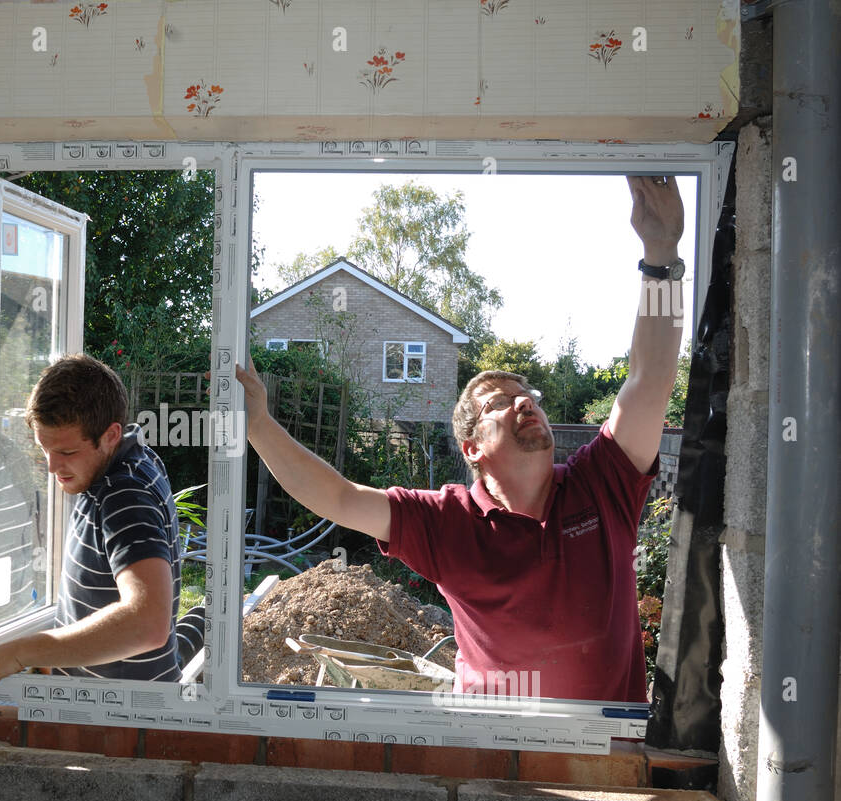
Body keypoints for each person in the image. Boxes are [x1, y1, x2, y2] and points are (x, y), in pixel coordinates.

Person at [235, 175, 685, 703]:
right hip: (493, 762)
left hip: (609, 759)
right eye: (500, 403)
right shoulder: (447, 523)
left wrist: (661, 255)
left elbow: (649, 379)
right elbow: (338, 498)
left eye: (529, 396)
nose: (525, 403)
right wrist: (259, 426)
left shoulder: (602, 483)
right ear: (471, 449)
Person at [0, 354, 182, 709]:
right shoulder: (133, 459)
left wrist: (18, 653)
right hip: (118, 710)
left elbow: (149, 623)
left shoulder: (124, 495)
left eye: (66, 451)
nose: (51, 465)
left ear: (110, 435)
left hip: (123, 722)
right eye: (44, 448)